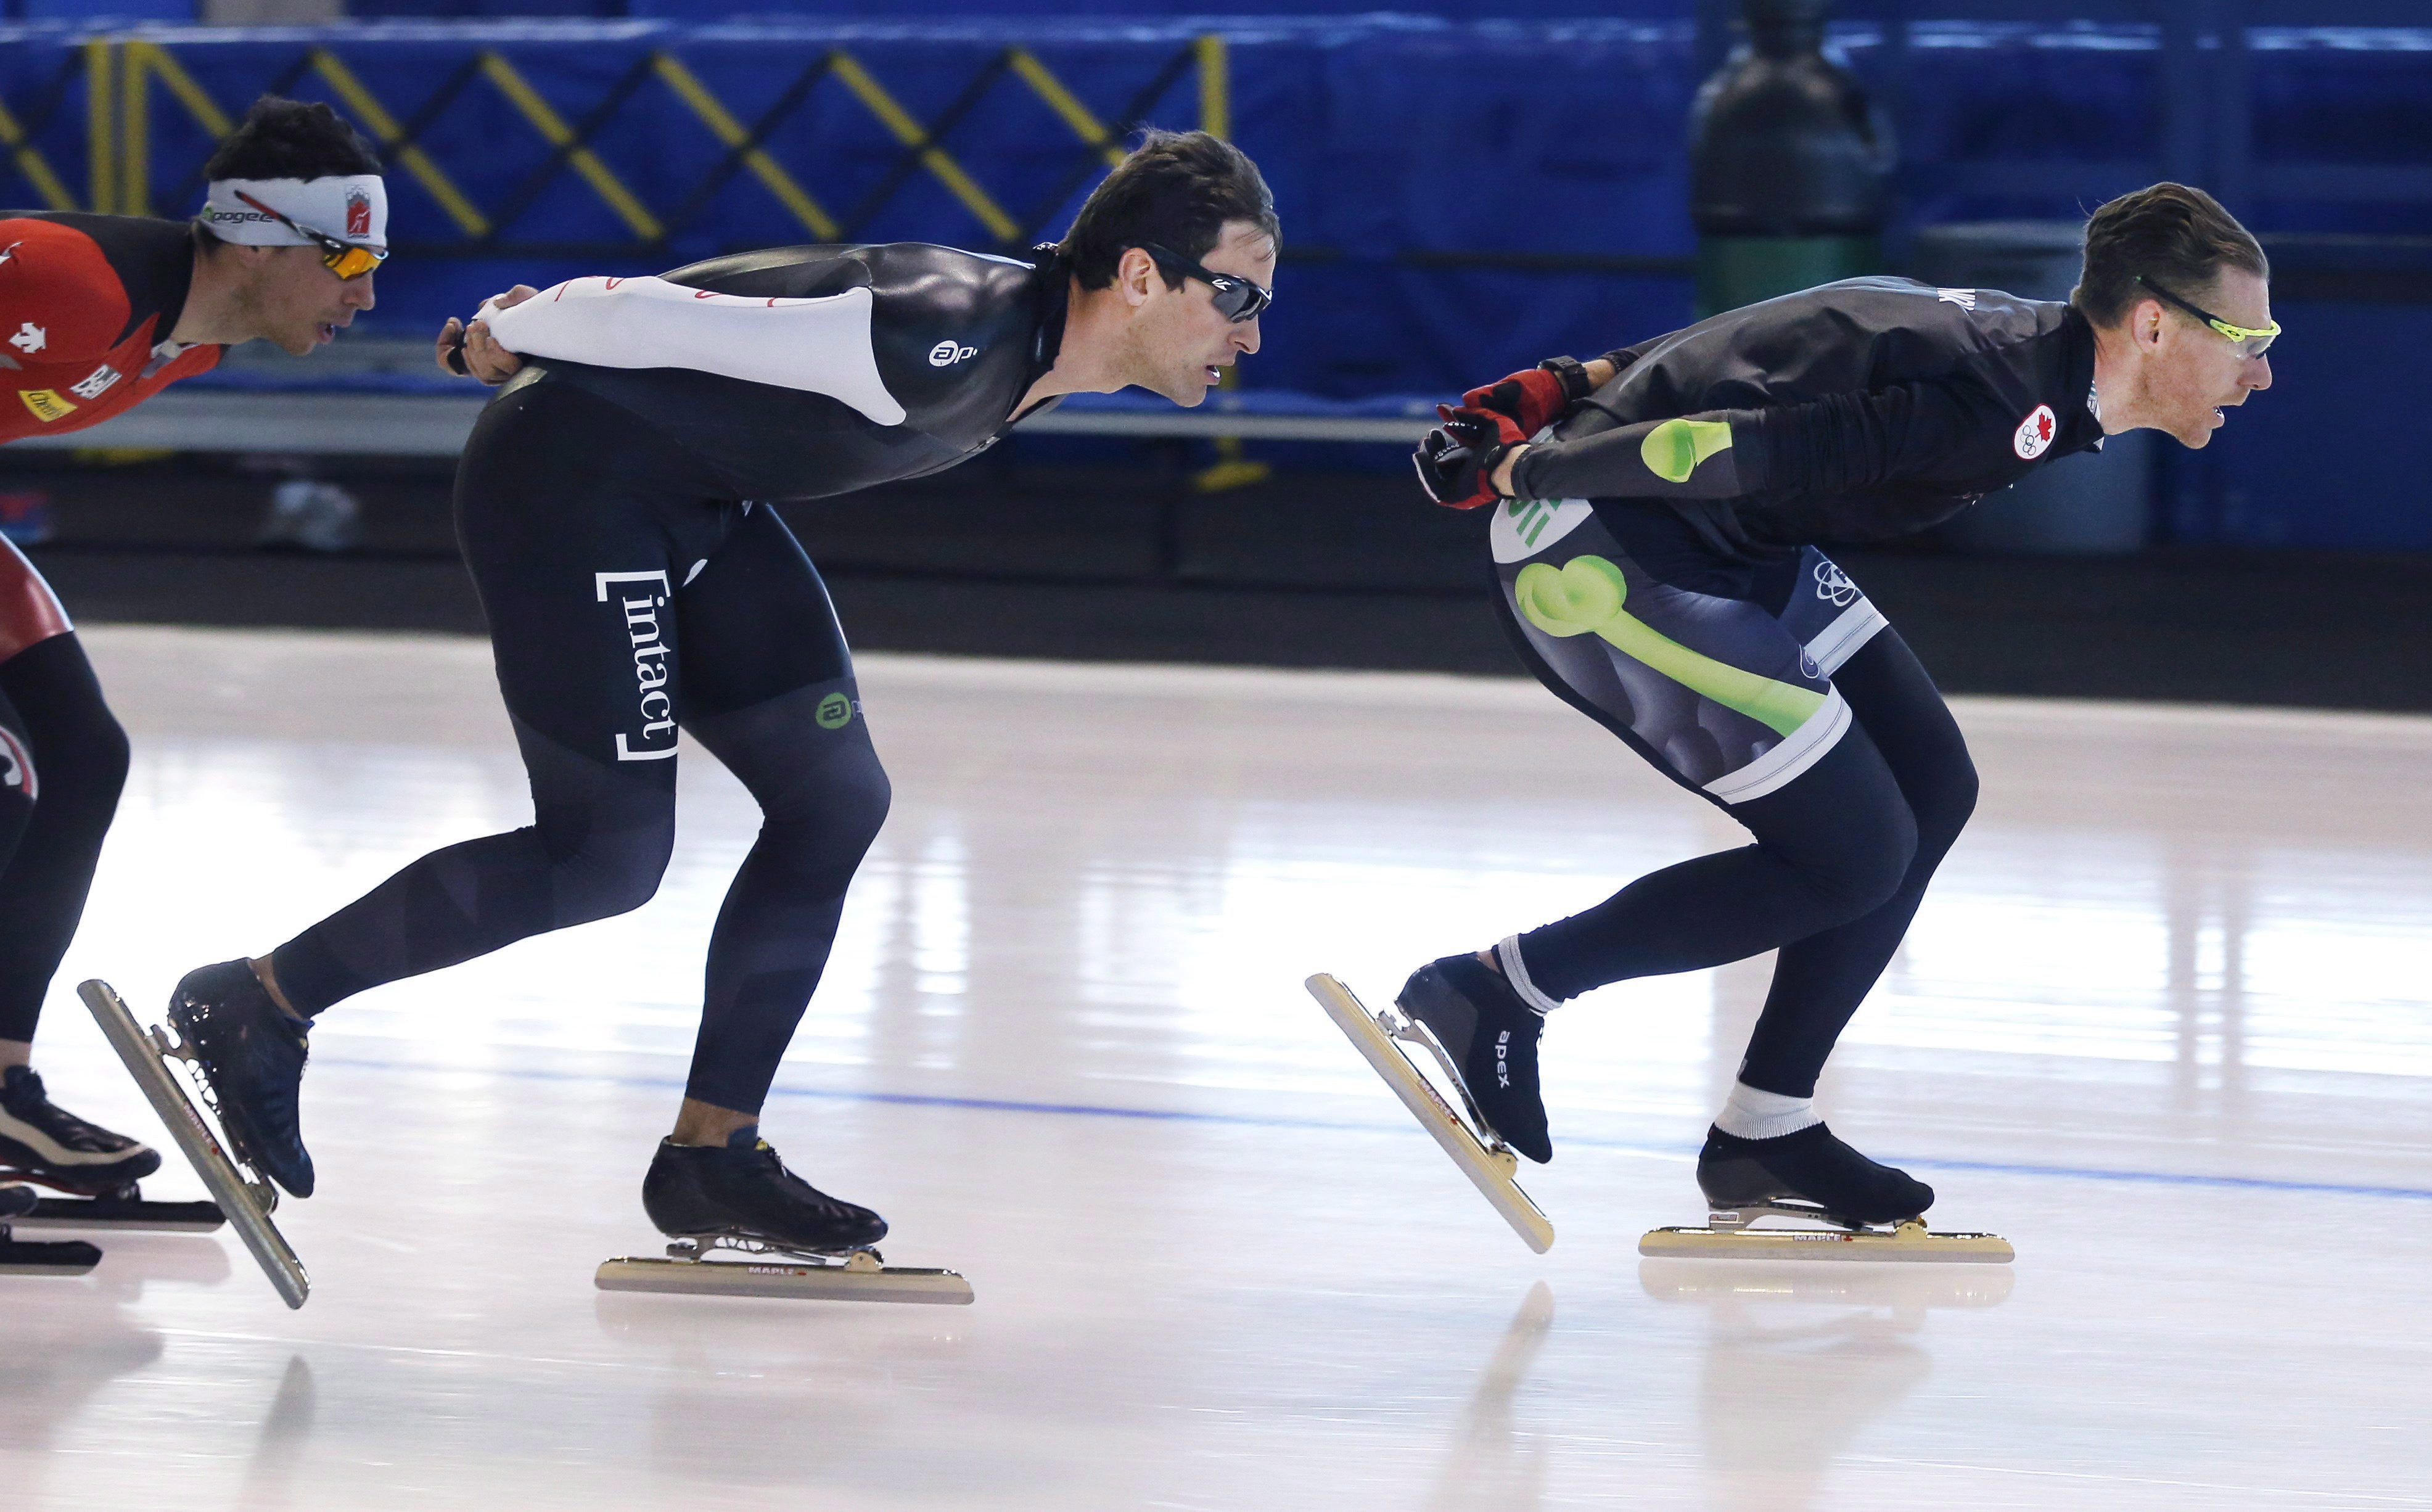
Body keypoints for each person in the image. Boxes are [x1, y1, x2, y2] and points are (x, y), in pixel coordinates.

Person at [165, 129, 1279, 1259]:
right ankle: (258, 1001)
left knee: (834, 799)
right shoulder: (947, 323)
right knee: (603, 858)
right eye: (1237, 292)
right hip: (572, 488)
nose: (1250, 329)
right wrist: (506, 334)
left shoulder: (1037, 349)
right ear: (1140, 275)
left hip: (695, 502)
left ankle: (711, 1155)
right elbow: (649, 310)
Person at [1400, 182, 2274, 1226]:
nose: (2259, 372)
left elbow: (1777, 334)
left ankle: (1766, 1125)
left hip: (1722, 535)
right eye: (2247, 337)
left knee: (1931, 784)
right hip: (1603, 538)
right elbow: (1729, 448)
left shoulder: (2027, 365)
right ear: (2152, 324)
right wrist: (1530, 462)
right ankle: (1497, 991)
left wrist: (1559, 382)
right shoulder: (2001, 399)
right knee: (1854, 853)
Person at [0, 97, 386, 1204]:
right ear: (259, 238)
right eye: (350, 258)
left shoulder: (192, 346)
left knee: (81, 759)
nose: (367, 293)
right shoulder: (69, 283)